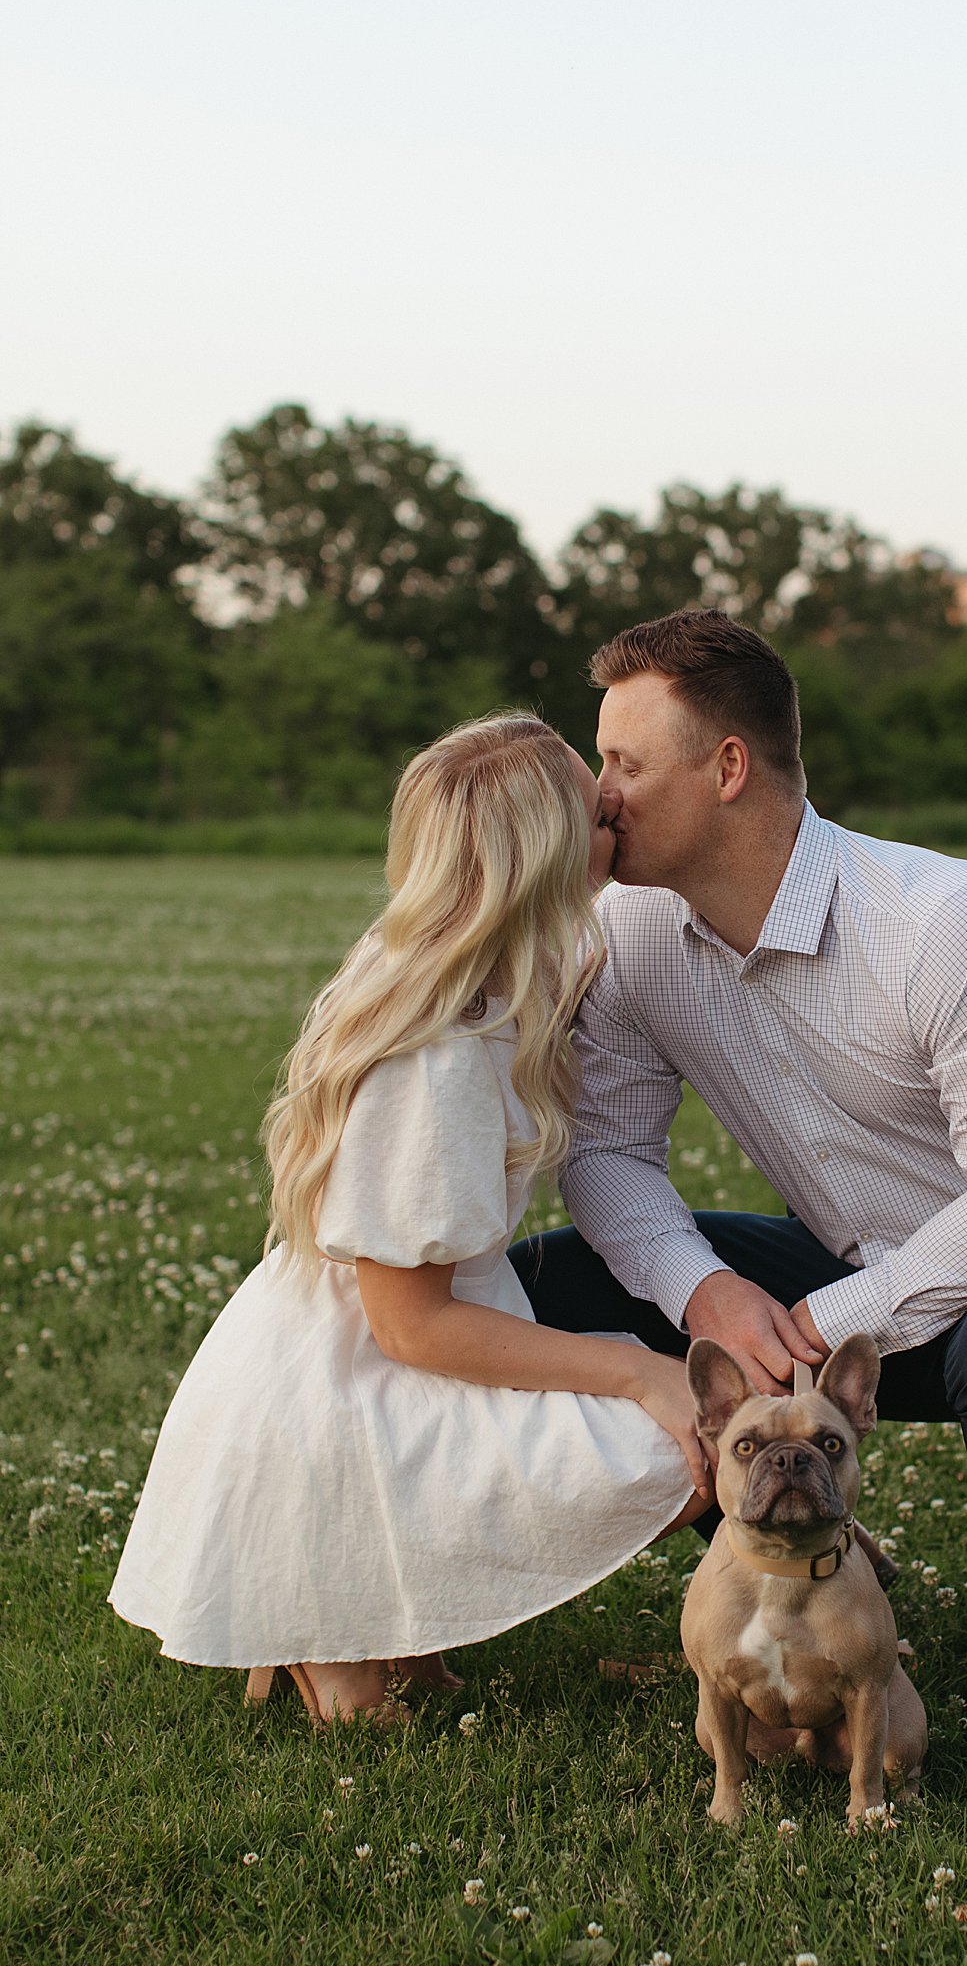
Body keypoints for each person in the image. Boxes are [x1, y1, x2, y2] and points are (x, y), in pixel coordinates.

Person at [511, 610, 967, 1715]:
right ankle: (779, 1561)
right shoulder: (628, 929)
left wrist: (817, 1329)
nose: (600, 793)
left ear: (727, 766)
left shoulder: (950, 917)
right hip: (835, 1266)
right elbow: (610, 1156)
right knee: (548, 1288)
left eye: (625, 761)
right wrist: (711, 1294)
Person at [110, 715, 706, 1724]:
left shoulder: (487, 969)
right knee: (679, 1439)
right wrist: (640, 1370)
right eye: (597, 804)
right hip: (357, 1383)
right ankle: (324, 1616)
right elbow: (409, 1327)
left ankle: (388, 1619)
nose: (620, 804)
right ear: (547, 853)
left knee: (672, 1422)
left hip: (370, 1351)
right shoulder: (435, 1056)